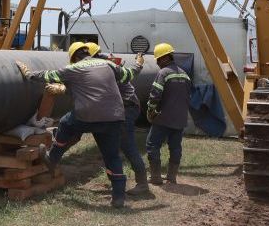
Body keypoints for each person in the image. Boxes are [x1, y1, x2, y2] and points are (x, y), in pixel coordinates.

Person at [16, 41, 136, 208]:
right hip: (114, 117)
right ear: (88, 53)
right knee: (112, 156)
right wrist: (138, 64)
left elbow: (48, 76)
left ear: (73, 57)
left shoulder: (73, 69)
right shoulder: (107, 64)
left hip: (88, 115)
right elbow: (129, 74)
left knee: (65, 123)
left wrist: (28, 74)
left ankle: (53, 158)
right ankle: (118, 197)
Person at [88, 43, 150, 195]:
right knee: (110, 145)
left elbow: (129, 72)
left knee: (127, 145)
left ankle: (142, 184)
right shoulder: (102, 63)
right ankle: (116, 180)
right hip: (119, 107)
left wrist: (138, 65)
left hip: (126, 107)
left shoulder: (105, 67)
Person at [145, 43, 191, 185]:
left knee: (152, 145)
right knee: (175, 147)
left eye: (158, 59)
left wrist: (150, 111)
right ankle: (171, 177)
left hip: (164, 117)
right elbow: (187, 96)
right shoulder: (185, 74)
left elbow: (155, 95)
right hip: (180, 118)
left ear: (164, 58)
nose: (158, 63)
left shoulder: (163, 73)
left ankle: (156, 178)